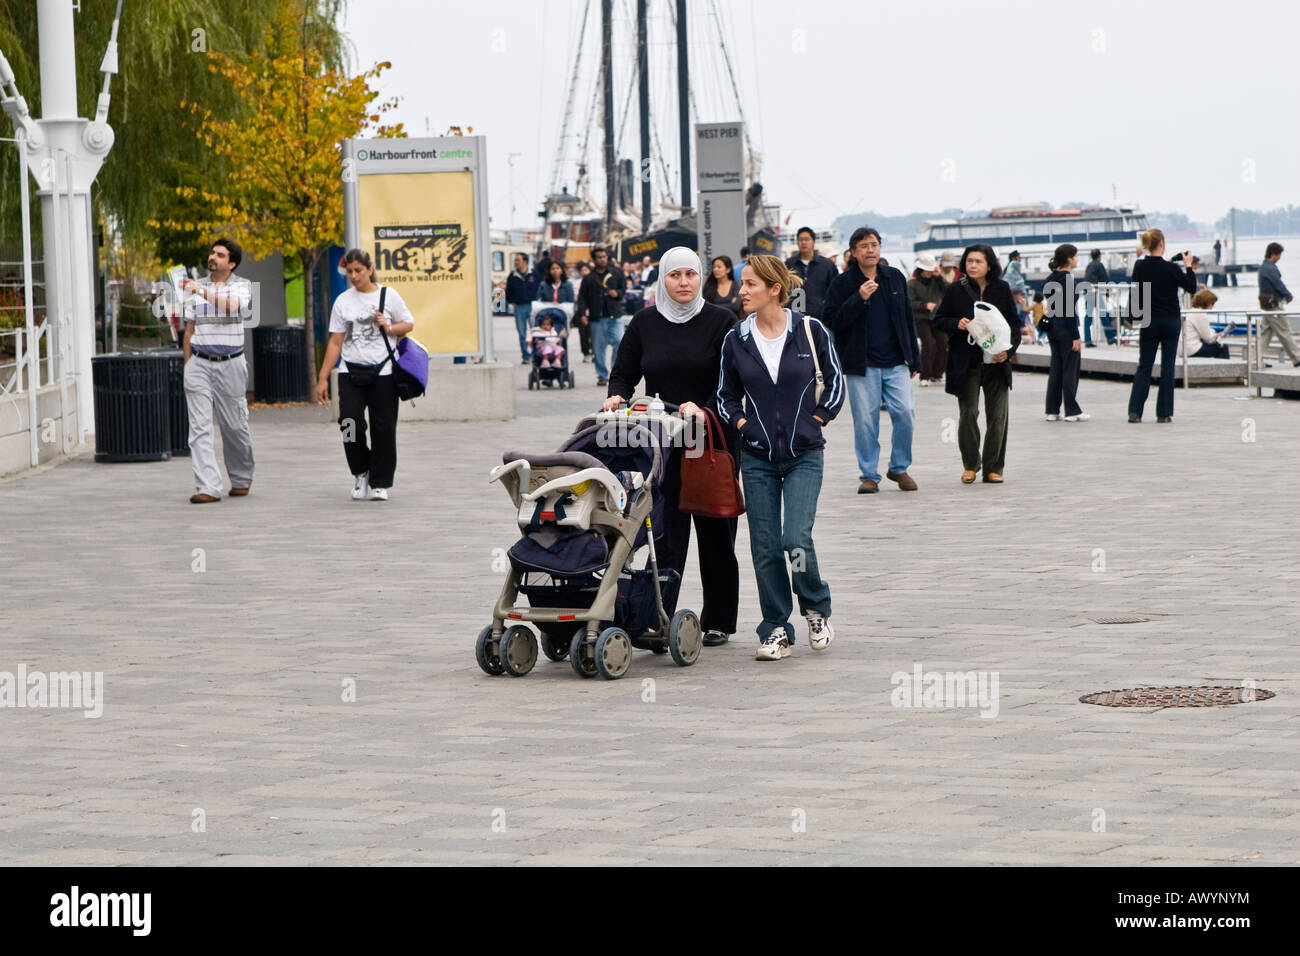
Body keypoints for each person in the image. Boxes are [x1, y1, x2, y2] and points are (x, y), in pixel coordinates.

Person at [603, 247, 742, 647]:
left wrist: (704, 409)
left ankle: (718, 620)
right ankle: (658, 617)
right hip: (661, 443)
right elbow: (624, 373)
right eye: (674, 275)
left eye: (691, 275)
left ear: (702, 279)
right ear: (662, 279)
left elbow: (731, 384)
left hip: (709, 441)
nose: (683, 282)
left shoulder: (722, 321)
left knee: (716, 533)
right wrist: (616, 396)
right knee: (662, 534)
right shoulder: (645, 322)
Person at [717, 254, 844, 661]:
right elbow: (725, 396)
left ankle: (815, 608)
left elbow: (836, 381)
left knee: (795, 540)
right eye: (741, 284)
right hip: (756, 458)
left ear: (774, 289)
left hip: (804, 454)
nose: (742, 291)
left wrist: (818, 419)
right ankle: (776, 627)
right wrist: (741, 426)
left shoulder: (810, 330)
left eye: (750, 284)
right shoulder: (736, 339)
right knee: (766, 546)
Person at [823, 227, 921, 494]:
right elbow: (832, 321)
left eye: (875, 245)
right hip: (861, 363)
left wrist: (914, 359)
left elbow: (907, 320)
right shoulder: (842, 284)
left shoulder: (895, 278)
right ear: (853, 252)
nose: (870, 250)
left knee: (905, 414)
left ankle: (899, 467)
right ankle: (869, 475)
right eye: (864, 246)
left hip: (896, 361)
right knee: (866, 421)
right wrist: (859, 298)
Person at [315, 248, 415, 501]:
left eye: (358, 270)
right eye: (349, 271)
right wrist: (323, 377)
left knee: (383, 428)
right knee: (349, 423)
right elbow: (335, 342)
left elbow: (408, 323)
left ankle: (380, 482)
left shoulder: (388, 295)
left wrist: (389, 327)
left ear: (370, 269)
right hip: (350, 371)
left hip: (384, 372)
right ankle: (361, 471)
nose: (354, 276)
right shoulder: (343, 301)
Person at [933, 244, 1021, 484]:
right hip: (966, 361)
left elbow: (1014, 325)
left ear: (989, 265)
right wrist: (956, 324)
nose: (972, 265)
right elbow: (939, 320)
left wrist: (1009, 350)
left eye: (978, 261)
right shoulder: (956, 290)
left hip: (996, 363)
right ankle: (971, 464)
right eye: (969, 261)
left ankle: (994, 467)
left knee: (998, 417)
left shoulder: (1002, 289)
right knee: (968, 413)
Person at [181, 237, 255, 504]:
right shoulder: (195, 286)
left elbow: (231, 307)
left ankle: (241, 477)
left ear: (231, 263)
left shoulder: (242, 286)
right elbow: (189, 329)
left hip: (231, 363)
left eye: (220, 255)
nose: (213, 257)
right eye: (212, 253)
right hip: (199, 362)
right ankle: (208, 486)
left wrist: (199, 291)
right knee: (199, 428)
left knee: (234, 426)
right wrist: (188, 364)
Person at [1126, 229, 1198, 423]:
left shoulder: (1139, 266)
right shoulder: (1172, 269)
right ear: (1162, 244)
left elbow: (1136, 291)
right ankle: (1164, 413)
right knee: (1167, 367)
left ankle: (1135, 412)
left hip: (1148, 321)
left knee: (1145, 366)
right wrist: (1188, 266)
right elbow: (1191, 287)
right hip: (1170, 321)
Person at [1042, 243, 1089, 422]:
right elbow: (1069, 311)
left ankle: (1052, 410)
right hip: (1066, 329)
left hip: (1052, 328)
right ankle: (1072, 410)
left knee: (1056, 369)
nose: (1077, 259)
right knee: (1070, 368)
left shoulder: (1051, 278)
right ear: (1069, 259)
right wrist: (1076, 336)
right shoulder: (1068, 279)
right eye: (1076, 256)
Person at [574, 247, 626, 386]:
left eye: (604, 256)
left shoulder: (616, 273)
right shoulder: (588, 278)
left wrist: (618, 294)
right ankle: (602, 376)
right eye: (599, 257)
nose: (602, 259)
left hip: (615, 315)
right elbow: (582, 298)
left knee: (620, 343)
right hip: (597, 317)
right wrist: (582, 313)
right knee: (599, 348)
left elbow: (623, 288)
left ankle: (616, 374)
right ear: (594, 259)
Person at [907, 252, 949, 385]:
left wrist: (940, 277)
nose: (930, 273)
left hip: (936, 317)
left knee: (943, 343)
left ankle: (937, 374)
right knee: (928, 344)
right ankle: (924, 376)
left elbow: (949, 290)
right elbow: (909, 302)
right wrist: (923, 305)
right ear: (921, 270)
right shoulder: (912, 283)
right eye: (927, 270)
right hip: (920, 318)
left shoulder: (936, 281)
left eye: (931, 270)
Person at [1257, 242, 1299, 366]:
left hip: (1266, 305)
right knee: (1284, 331)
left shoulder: (1263, 267)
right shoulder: (1270, 268)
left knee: (1265, 333)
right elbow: (1278, 284)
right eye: (1279, 254)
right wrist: (1288, 295)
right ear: (1274, 254)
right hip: (1274, 305)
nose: (1280, 257)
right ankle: (1297, 358)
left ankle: (1255, 360)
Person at [785, 226, 837, 319]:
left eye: (807, 239)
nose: (803, 242)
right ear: (797, 242)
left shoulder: (827, 265)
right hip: (795, 317)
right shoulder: (789, 264)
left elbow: (835, 290)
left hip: (821, 317)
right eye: (800, 240)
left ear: (813, 242)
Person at [505, 252, 537, 364]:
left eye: (518, 260)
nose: (516, 262)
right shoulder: (512, 276)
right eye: (515, 260)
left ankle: (536, 354)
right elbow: (508, 291)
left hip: (533, 306)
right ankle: (525, 355)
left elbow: (539, 288)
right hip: (519, 307)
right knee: (522, 333)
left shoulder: (534, 274)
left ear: (525, 262)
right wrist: (511, 301)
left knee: (535, 331)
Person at [1182, 289, 1232, 359]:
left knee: (1212, 346)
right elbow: (1208, 338)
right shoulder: (1201, 314)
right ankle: (1223, 369)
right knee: (1223, 348)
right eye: (1212, 303)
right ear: (1207, 302)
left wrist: (1215, 334)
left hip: (1183, 348)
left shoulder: (1191, 311)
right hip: (1191, 349)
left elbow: (1204, 332)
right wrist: (1218, 336)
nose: (1213, 306)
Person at [1083, 248, 1112, 345]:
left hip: (1087, 291)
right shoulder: (1099, 265)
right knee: (1103, 314)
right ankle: (1110, 337)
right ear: (1099, 256)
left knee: (1088, 317)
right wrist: (1108, 292)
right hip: (1095, 291)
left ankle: (1087, 340)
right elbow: (1105, 279)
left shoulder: (1089, 265)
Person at [703, 255, 744, 319]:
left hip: (733, 322)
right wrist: (730, 304)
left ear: (728, 269)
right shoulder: (709, 287)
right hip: (714, 321)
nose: (715, 269)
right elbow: (707, 308)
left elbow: (736, 306)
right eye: (714, 267)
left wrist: (715, 306)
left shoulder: (736, 285)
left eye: (719, 267)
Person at [1004, 250, 1029, 324]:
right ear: (1015, 257)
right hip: (1016, 283)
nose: (1020, 258)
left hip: (1010, 285)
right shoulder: (1016, 263)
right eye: (1019, 257)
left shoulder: (1008, 266)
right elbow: (1019, 273)